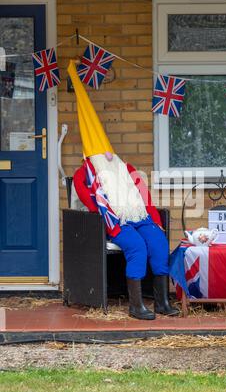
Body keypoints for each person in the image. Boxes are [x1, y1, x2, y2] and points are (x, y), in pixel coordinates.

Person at [68, 60, 179, 320]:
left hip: (139, 216)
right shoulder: (83, 174)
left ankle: (162, 301)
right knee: (138, 248)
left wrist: (153, 220)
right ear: (90, 156)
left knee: (159, 243)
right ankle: (136, 306)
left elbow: (144, 195)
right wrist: (113, 222)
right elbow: (92, 203)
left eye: (108, 152)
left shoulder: (125, 167)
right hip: (114, 220)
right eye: (100, 153)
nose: (106, 155)